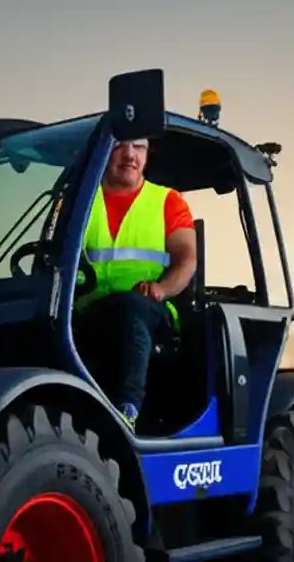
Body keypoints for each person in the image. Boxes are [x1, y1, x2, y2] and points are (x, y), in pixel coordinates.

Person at [74, 137, 197, 431]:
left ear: (147, 154)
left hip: (149, 307)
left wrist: (162, 288)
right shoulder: (80, 200)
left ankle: (127, 411)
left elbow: (187, 259)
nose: (129, 154)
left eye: (138, 147)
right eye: (119, 145)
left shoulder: (167, 201)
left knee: (130, 308)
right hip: (88, 308)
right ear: (105, 151)